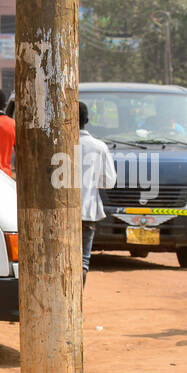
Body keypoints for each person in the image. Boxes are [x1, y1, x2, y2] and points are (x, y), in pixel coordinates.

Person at [78, 101, 116, 285]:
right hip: (87, 213)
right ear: (87, 119)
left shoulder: (57, 145)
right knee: (83, 262)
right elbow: (109, 181)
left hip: (60, 215)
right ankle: (78, 305)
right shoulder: (99, 147)